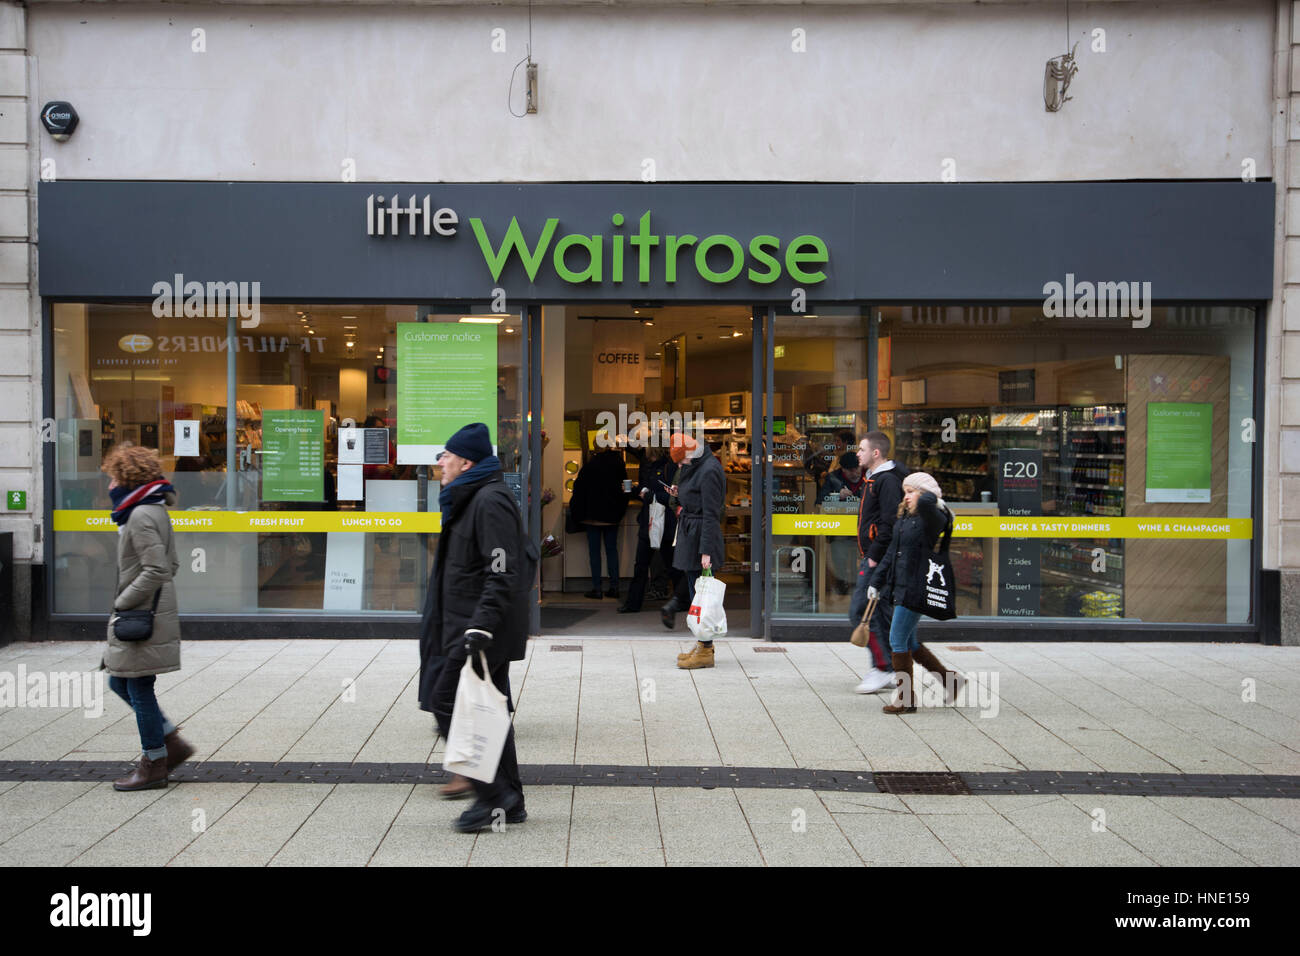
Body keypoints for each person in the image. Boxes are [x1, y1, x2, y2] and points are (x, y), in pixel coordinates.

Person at [418, 423, 531, 832]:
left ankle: (492, 795)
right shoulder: (470, 498)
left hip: (479, 628)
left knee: (443, 699)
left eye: (446, 455)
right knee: (492, 711)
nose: (440, 463)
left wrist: (480, 626)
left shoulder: (489, 500)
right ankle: (509, 800)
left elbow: (502, 568)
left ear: (466, 462)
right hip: (469, 623)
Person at [101, 443, 193, 791]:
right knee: (121, 681)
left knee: (137, 686)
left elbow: (157, 569)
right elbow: (171, 564)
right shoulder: (148, 510)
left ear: (126, 478)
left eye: (112, 477)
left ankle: (154, 761)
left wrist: (125, 601)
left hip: (141, 614)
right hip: (148, 610)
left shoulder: (139, 515)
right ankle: (170, 742)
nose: (109, 485)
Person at [867, 472, 965, 714]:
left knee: (896, 640)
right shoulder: (904, 518)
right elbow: (891, 552)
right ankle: (950, 680)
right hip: (899, 585)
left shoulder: (932, 518)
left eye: (911, 491)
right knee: (908, 641)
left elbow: (929, 502)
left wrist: (928, 496)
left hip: (915, 587)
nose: (906, 496)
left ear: (924, 494)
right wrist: (876, 582)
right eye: (905, 491)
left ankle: (906, 699)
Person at [850, 432, 909, 693]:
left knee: (861, 611)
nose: (857, 454)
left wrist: (873, 557)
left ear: (876, 453)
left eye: (862, 450)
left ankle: (883, 667)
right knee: (880, 614)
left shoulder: (886, 481)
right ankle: (891, 668)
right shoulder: (876, 479)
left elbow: (888, 524)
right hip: (878, 558)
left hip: (879, 560)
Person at [662, 431, 725, 669]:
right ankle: (702, 644)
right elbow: (697, 498)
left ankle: (705, 649)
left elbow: (711, 514)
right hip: (692, 533)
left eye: (681, 460)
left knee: (701, 596)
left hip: (700, 536)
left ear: (690, 452)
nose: (679, 465)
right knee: (695, 592)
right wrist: (680, 494)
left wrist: (706, 552)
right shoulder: (697, 465)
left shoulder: (709, 470)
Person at [618, 437, 679, 614]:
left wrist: (649, 494)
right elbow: (648, 492)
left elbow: (672, 497)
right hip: (652, 521)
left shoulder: (669, 468)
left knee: (663, 565)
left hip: (662, 521)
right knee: (648, 564)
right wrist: (635, 491)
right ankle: (633, 603)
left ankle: (682, 600)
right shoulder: (653, 466)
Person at [568, 437, 629, 599]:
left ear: (595, 447)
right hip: (612, 516)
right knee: (611, 550)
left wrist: (577, 511)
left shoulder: (589, 466)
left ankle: (597, 588)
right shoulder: (618, 464)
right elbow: (627, 486)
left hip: (592, 516)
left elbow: (578, 490)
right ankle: (614, 587)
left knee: (594, 552)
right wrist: (623, 504)